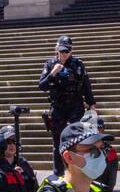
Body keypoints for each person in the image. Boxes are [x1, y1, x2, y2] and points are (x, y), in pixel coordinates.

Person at [38, 35, 97, 176]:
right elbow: (42, 86)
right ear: (56, 50)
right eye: (61, 51)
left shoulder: (77, 64)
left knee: (79, 139)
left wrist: (91, 104)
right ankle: (58, 174)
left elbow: (86, 85)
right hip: (58, 107)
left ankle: (80, 172)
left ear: (71, 51)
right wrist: (53, 73)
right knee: (58, 142)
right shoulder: (50, 64)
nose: (64, 54)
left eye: (67, 51)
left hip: (75, 106)